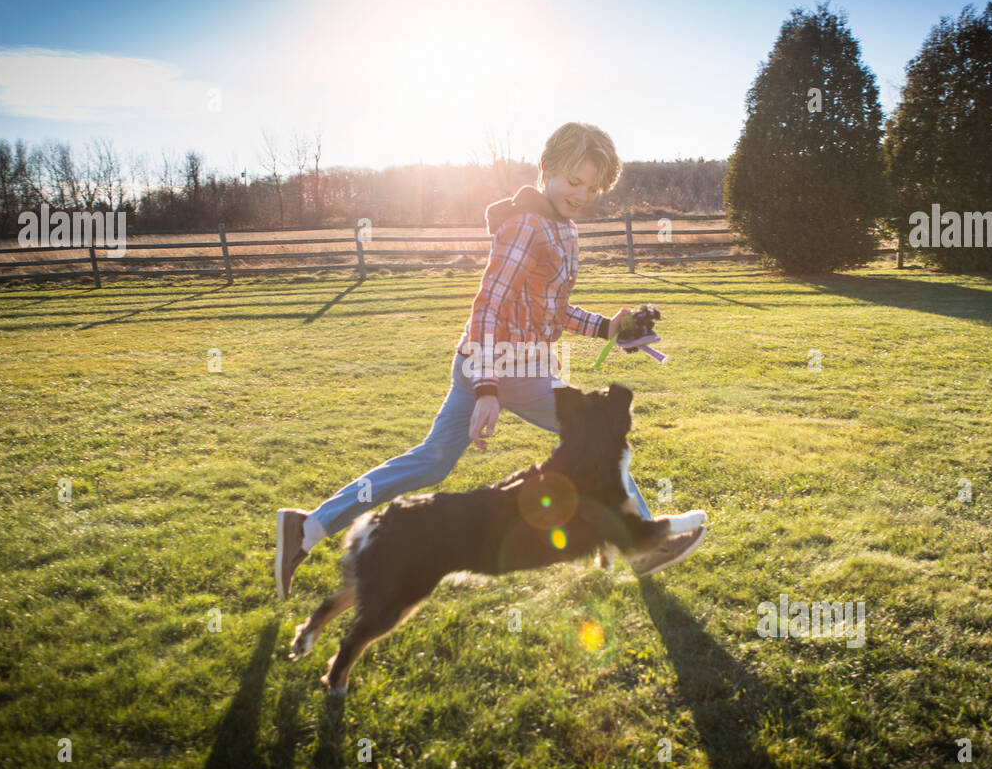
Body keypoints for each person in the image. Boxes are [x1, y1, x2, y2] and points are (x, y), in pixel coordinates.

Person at [275, 122, 707, 599]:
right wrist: (488, 390)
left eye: (591, 186)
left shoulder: (561, 227)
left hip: (486, 363)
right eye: (572, 181)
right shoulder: (525, 225)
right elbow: (488, 307)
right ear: (547, 170)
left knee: (432, 462)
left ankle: (308, 528)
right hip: (506, 368)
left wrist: (609, 328)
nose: (581, 194)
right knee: (601, 431)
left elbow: (552, 310)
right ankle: (639, 541)